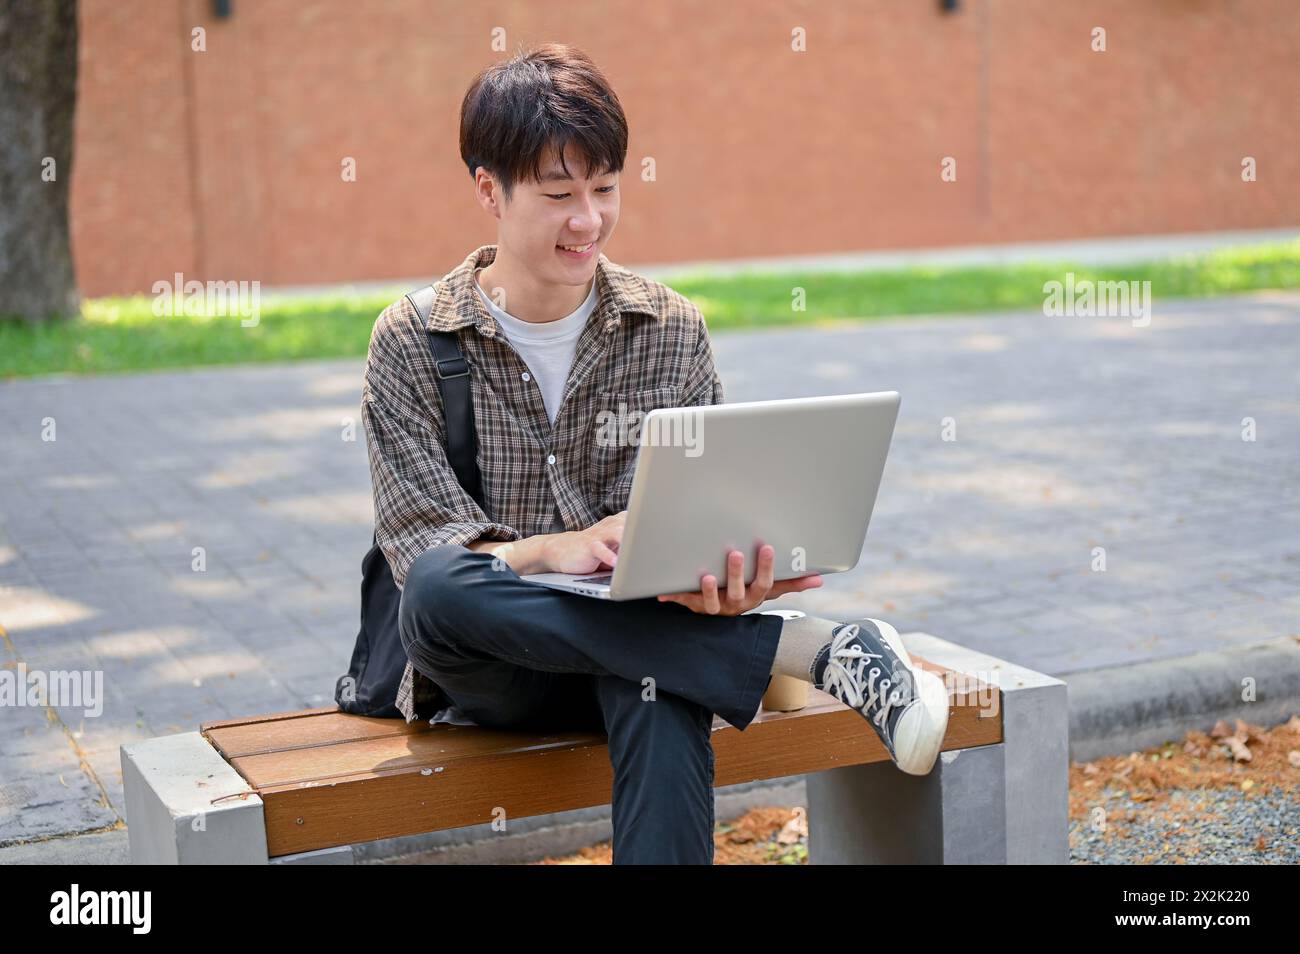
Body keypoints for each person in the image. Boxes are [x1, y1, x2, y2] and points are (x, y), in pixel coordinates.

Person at [361, 42, 949, 864]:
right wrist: (550, 549)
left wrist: (723, 583)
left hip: (646, 647)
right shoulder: (412, 341)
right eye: (559, 194)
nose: (588, 221)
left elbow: (689, 531)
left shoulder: (668, 329)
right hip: (491, 672)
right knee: (434, 587)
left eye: (605, 190)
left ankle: (761, 646)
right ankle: (812, 651)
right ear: (488, 189)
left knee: (658, 680)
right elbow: (419, 549)